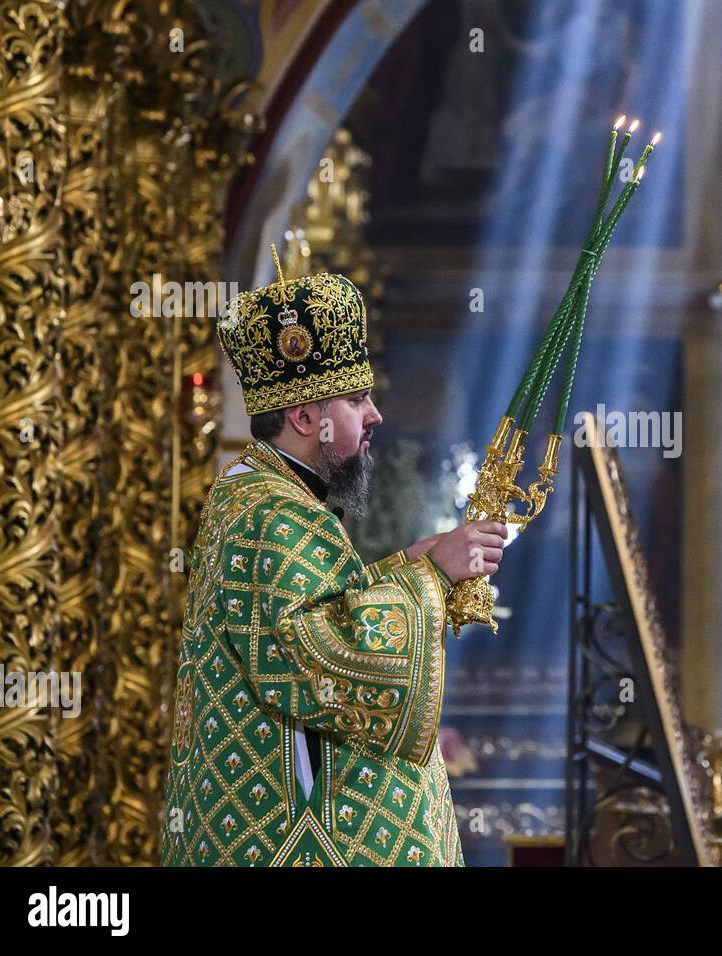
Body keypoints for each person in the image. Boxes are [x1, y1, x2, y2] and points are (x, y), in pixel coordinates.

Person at [160, 262, 504, 866]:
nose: (374, 415)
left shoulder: (269, 496)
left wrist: (407, 564)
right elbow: (316, 656)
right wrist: (432, 576)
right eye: (356, 399)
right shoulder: (271, 512)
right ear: (303, 418)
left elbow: (305, 622)